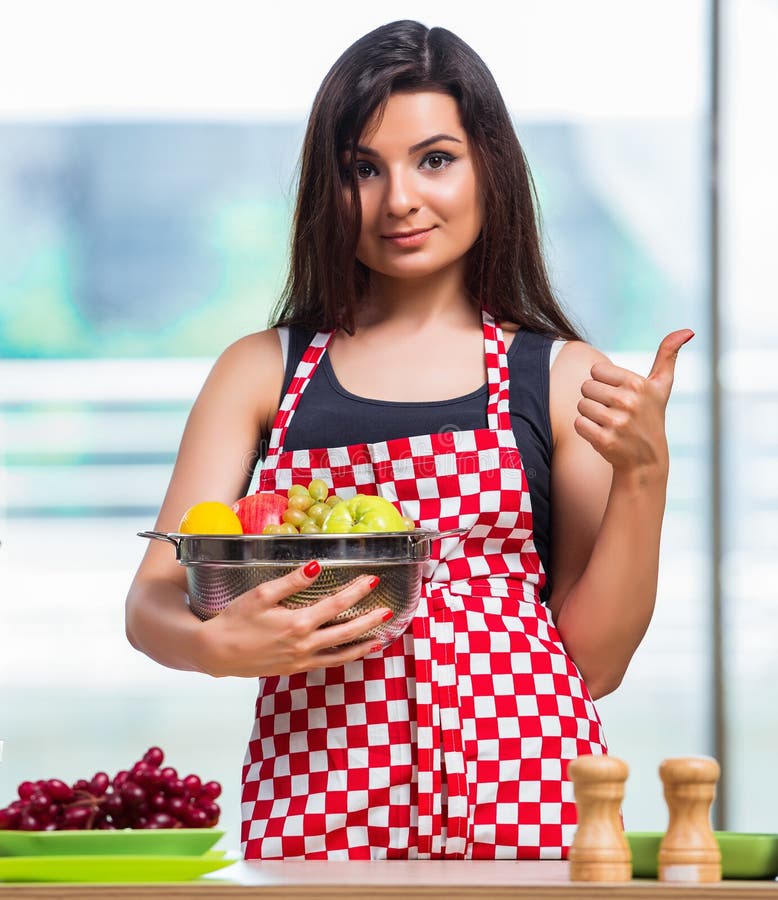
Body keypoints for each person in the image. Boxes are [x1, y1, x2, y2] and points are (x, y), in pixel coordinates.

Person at [125, 20, 692, 860]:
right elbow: (150, 604)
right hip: (313, 805)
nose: (399, 200)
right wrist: (214, 646)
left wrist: (647, 476)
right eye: (363, 168)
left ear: (488, 168)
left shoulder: (563, 377)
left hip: (529, 797)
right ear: (329, 185)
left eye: (435, 159)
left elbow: (594, 664)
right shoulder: (260, 372)